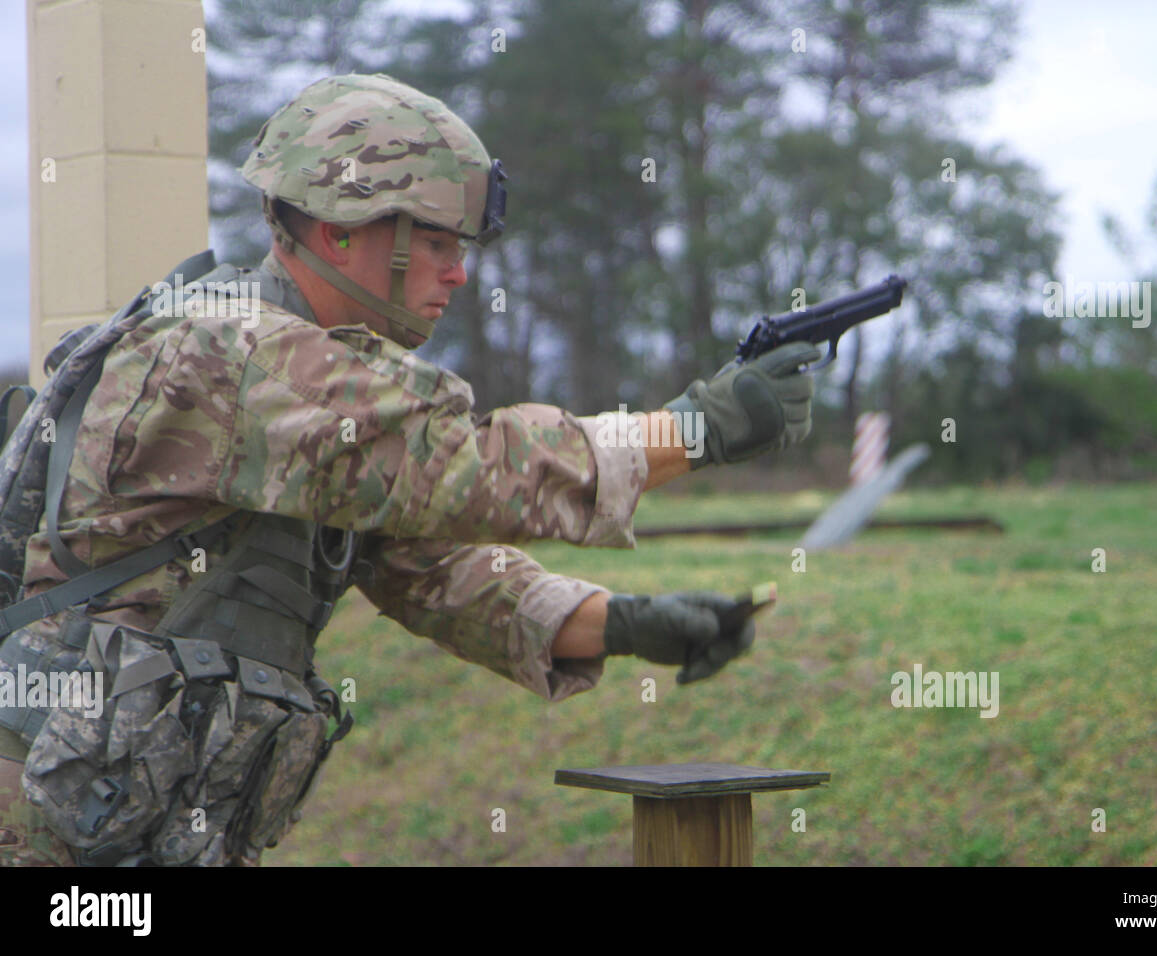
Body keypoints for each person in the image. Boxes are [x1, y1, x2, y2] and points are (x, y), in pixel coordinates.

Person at [0, 73, 818, 866]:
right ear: (340, 230)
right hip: (49, 828)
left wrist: (632, 623)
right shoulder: (236, 354)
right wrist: (699, 429)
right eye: (434, 242)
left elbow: (442, 572)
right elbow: (466, 468)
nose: (458, 273)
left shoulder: (293, 390)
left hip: (121, 823)